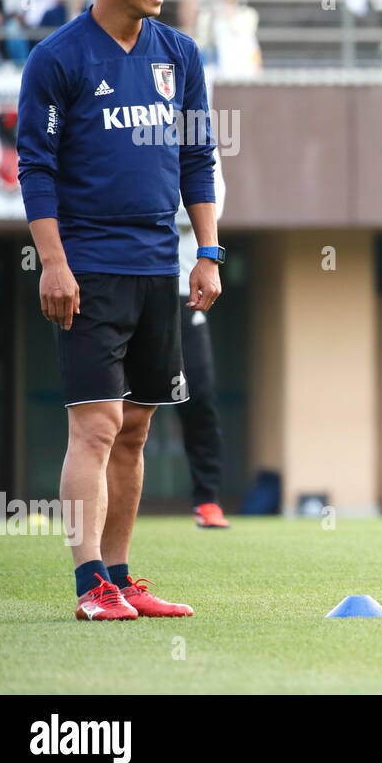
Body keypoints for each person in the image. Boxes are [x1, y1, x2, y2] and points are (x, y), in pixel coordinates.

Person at [15, 0, 222, 621]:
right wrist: (53, 262)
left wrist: (208, 251)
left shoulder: (179, 54)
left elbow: (199, 158)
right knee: (96, 425)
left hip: (157, 266)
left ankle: (124, 576)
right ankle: (88, 585)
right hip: (88, 265)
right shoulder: (58, 58)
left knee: (136, 426)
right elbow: (34, 168)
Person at [175, 149, 230, 527]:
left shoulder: (196, 133)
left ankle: (207, 499)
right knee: (117, 406)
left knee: (199, 394)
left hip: (184, 291)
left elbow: (209, 205)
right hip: (129, 284)